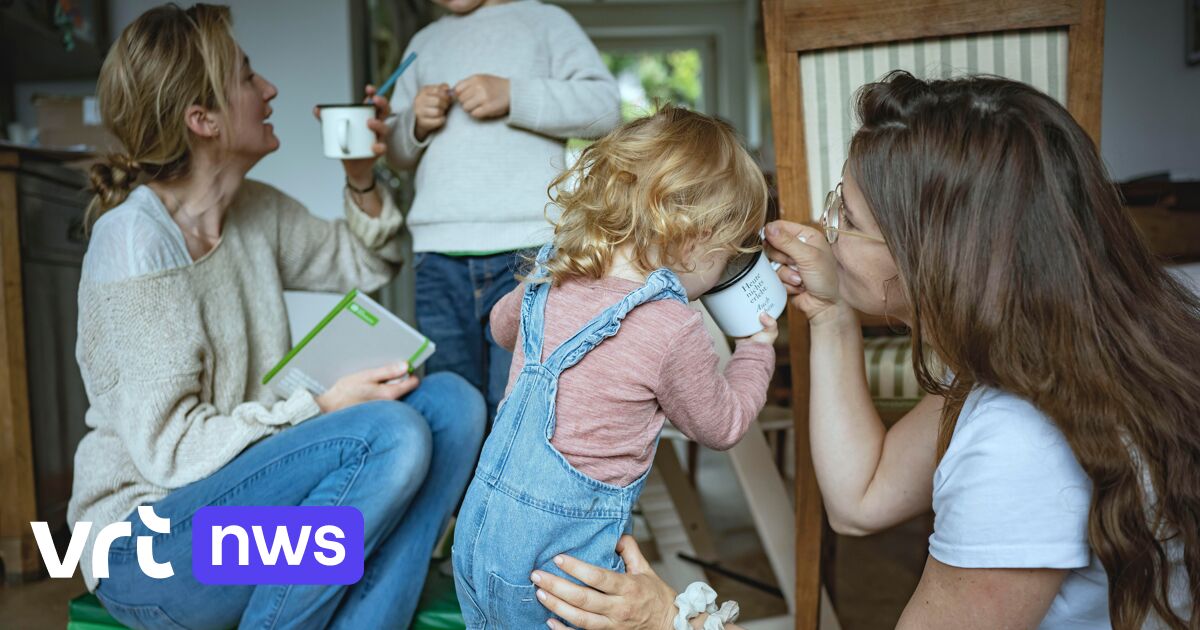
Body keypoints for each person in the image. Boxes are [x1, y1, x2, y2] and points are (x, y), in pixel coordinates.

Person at [531, 72, 1199, 629]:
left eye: (844, 218)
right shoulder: (1056, 351)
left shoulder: (1019, 439)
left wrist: (673, 619)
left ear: (926, 258)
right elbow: (861, 499)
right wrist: (828, 313)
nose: (824, 232)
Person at [68, 5, 485, 628]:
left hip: (243, 518)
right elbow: (171, 452)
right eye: (247, 77)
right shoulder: (135, 243)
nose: (269, 89)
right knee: (391, 434)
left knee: (453, 404)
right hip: (150, 550)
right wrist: (319, 408)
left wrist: (362, 176)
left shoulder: (252, 212)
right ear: (201, 119)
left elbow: (368, 260)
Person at [450, 106, 778, 628]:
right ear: (693, 237)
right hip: (562, 573)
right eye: (724, 257)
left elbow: (500, 327)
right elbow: (724, 425)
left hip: (476, 543)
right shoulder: (670, 325)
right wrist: (757, 347)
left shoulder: (551, 277)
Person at [385, 0, 622, 423]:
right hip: (438, 254)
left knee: (514, 401)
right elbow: (397, 153)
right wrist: (414, 123)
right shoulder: (424, 42)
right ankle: (462, 493)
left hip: (528, 248)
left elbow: (605, 110)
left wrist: (514, 94)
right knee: (451, 406)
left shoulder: (545, 21)